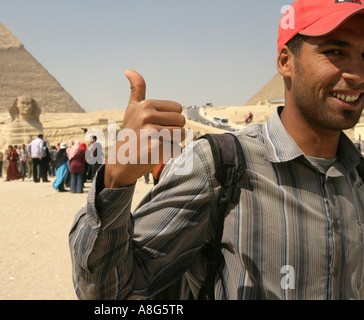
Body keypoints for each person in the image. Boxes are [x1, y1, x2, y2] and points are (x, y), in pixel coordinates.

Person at [69, 0, 364, 300]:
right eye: (335, 52)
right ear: (286, 62)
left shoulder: (358, 179)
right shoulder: (219, 167)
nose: (359, 73)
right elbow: (107, 295)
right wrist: (117, 177)